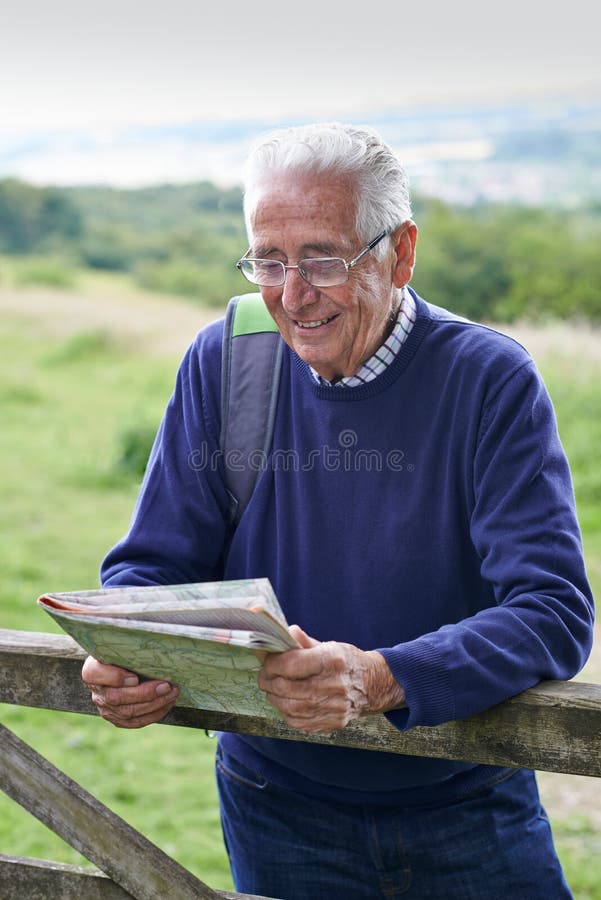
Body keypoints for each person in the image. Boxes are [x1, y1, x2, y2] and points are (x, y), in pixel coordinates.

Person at [82, 123, 594, 898]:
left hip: (464, 803)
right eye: (268, 260)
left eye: (322, 258)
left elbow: (552, 612)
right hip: (274, 805)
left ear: (402, 251)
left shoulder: (487, 378)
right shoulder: (226, 357)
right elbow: (155, 562)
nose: (291, 294)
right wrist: (122, 642)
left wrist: (382, 678)